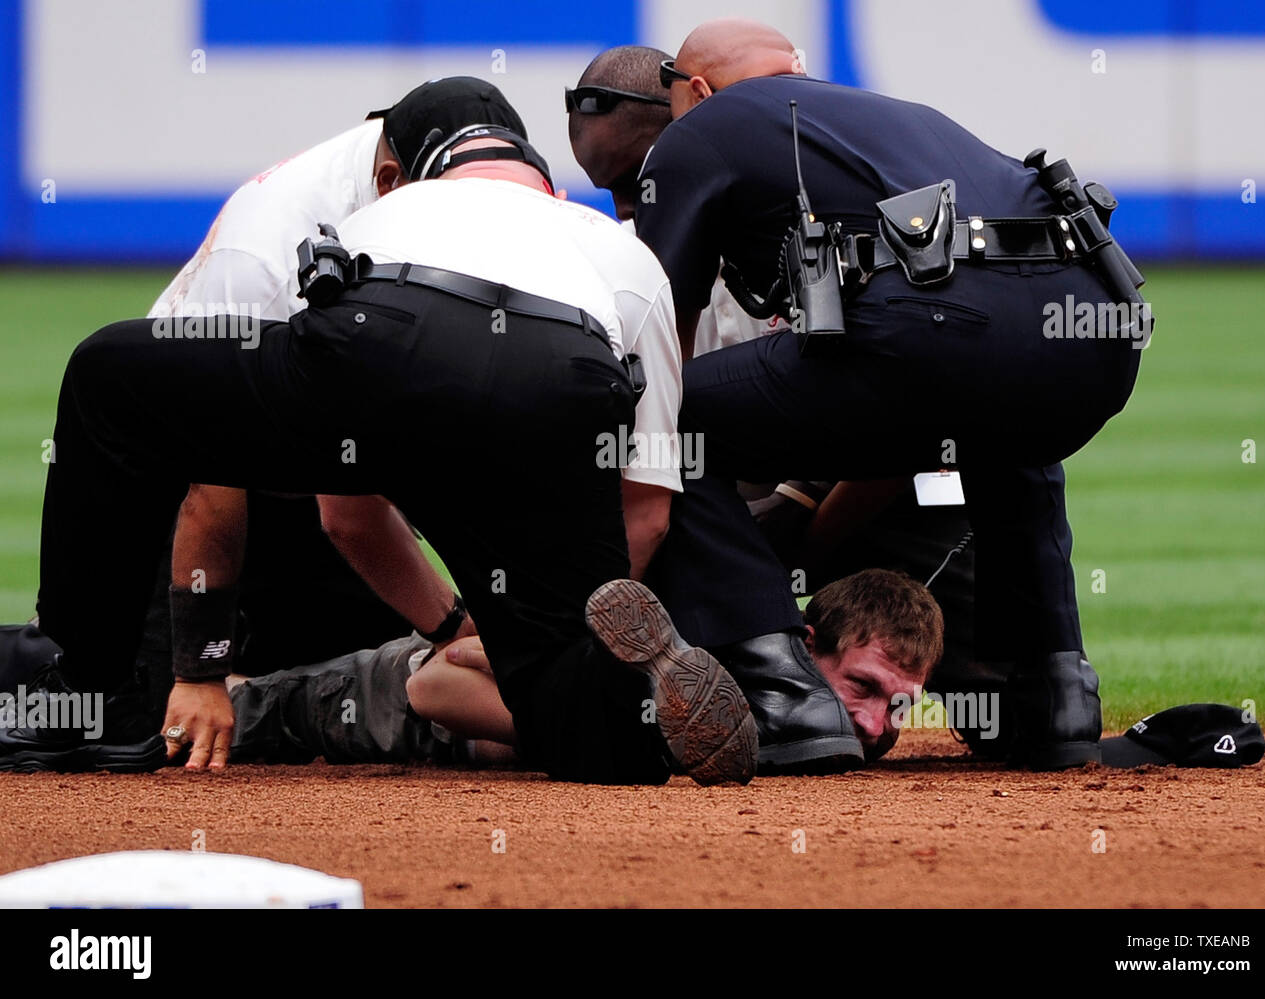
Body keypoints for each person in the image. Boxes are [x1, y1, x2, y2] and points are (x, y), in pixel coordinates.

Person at [1, 83, 758, 786]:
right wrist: (544, 616)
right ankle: (624, 717)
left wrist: (203, 658)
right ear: (546, 184)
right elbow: (648, 507)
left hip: (387, 344)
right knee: (561, 685)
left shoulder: (376, 215)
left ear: (411, 174)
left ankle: (93, 693)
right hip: (561, 382)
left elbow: (343, 511)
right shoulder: (617, 250)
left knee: (109, 377)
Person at [636, 19, 1146, 770]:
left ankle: (783, 688)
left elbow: (664, 338)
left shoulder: (703, 127)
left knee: (670, 424)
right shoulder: (904, 117)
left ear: (699, 90)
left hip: (933, 332)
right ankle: (1054, 694)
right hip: (1095, 342)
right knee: (1012, 439)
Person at [136, 79, 530, 728]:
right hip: (183, 484)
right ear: (389, 180)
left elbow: (368, 487)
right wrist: (199, 668)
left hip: (302, 467)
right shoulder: (264, 257)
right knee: (149, 718)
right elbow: (213, 474)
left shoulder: (454, 197)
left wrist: (457, 624)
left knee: (368, 675)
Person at [228, 568, 942, 768]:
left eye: (901, 706)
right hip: (380, 698)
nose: (875, 725)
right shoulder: (708, 666)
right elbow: (434, 682)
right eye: (863, 687)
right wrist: (592, 724)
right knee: (229, 720)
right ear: (803, 644)